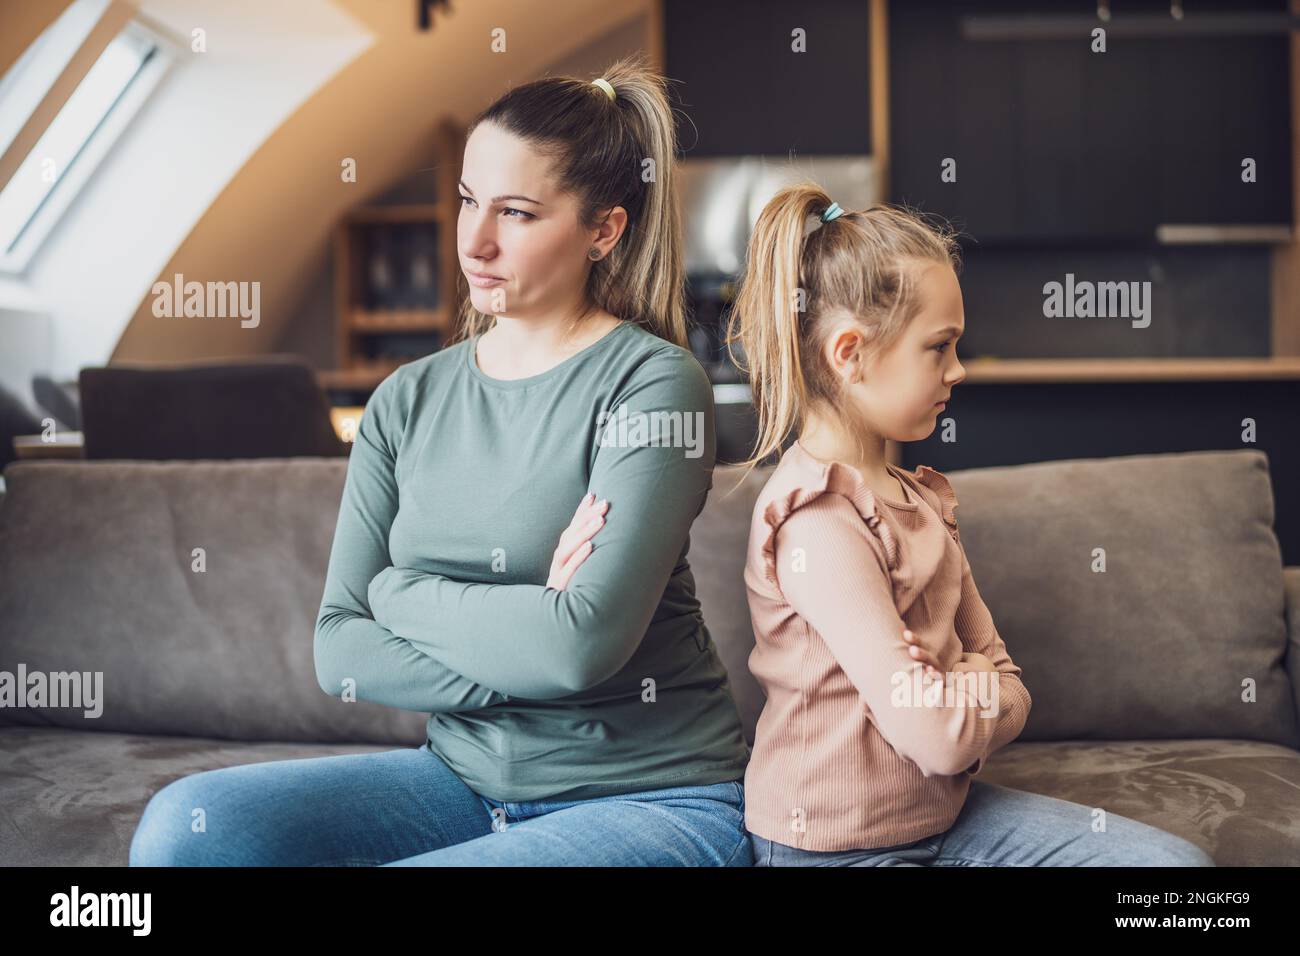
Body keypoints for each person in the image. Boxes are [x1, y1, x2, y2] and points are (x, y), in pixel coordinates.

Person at [128, 55, 752, 868]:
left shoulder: (655, 386)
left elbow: (577, 647)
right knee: (186, 829)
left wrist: (400, 592)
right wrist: (526, 633)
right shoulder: (405, 401)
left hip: (652, 795)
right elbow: (340, 650)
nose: (477, 240)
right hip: (461, 782)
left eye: (519, 213)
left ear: (605, 229)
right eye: (468, 200)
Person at [725, 184, 1214, 867]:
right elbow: (940, 739)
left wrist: (971, 685)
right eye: (939, 347)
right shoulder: (819, 521)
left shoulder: (918, 498)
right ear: (849, 354)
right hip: (835, 847)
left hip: (947, 817)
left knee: (1177, 874)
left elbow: (1012, 681)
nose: (957, 371)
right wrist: (966, 680)